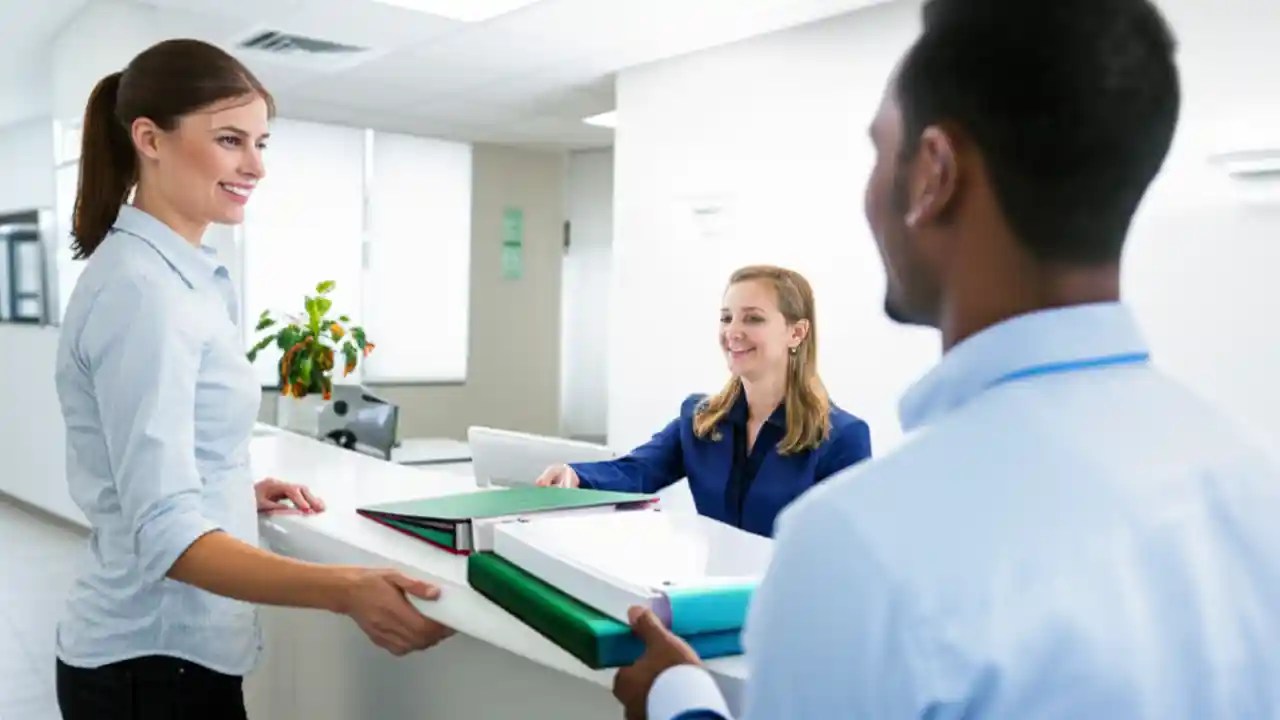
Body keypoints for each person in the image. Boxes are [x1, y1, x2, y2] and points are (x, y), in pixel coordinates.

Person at [612, 0, 1280, 717]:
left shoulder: (855, 543)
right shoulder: (1252, 488)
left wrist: (679, 700)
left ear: (933, 172)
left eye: (878, 152)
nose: (872, 191)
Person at [53, 39, 452, 720]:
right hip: (150, 665)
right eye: (231, 140)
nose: (256, 166)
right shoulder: (143, 293)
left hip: (174, 657)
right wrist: (346, 587)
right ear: (149, 139)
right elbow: (167, 535)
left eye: (262, 142)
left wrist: (227, 489)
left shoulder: (186, 274)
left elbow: (155, 466)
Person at [535, 265, 871, 537]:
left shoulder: (842, 437)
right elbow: (638, 470)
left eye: (753, 318)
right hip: (712, 597)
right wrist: (574, 475)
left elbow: (848, 552)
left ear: (796, 333)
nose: (733, 332)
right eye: (727, 317)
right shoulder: (701, 418)